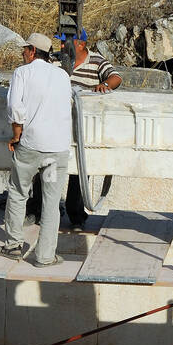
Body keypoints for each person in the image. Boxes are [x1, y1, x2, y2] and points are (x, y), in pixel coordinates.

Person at [0, 33, 72, 267]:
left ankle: (13, 245)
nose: (22, 53)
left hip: (31, 146)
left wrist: (16, 135)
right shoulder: (62, 75)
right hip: (56, 151)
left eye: (24, 50)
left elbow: (15, 107)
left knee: (19, 192)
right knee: (51, 203)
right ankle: (46, 256)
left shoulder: (23, 72)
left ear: (31, 51)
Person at [62, 37, 121, 227]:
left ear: (81, 44)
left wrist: (106, 85)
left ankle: (76, 215)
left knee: (79, 173)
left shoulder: (96, 61)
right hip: (58, 123)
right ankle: (39, 210)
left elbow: (115, 77)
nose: (62, 46)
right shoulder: (57, 60)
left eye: (66, 42)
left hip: (84, 127)